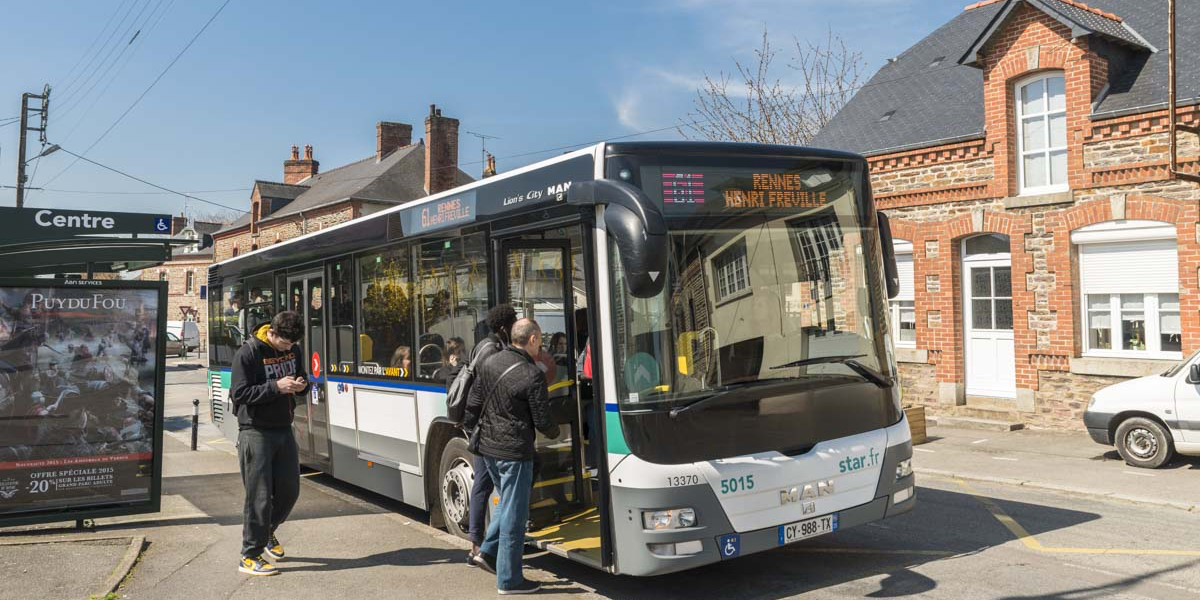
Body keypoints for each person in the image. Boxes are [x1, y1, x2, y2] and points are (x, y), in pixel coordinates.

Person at [464, 318, 559, 595]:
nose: (541, 346)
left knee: (506, 503)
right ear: (532, 340)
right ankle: (509, 580)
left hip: (488, 450)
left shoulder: (489, 363)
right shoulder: (532, 374)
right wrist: (556, 432)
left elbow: (473, 405)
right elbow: (543, 422)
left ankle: (487, 552)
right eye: (540, 340)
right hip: (515, 453)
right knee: (515, 517)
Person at [230, 310, 309, 577]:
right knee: (259, 497)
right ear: (272, 333)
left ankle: (266, 532)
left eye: (293, 344)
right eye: (285, 343)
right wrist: (276, 387)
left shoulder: (293, 350)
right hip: (255, 430)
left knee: (289, 491)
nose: (289, 349)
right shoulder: (248, 353)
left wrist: (302, 385)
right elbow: (239, 393)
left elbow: (302, 378)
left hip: (283, 427)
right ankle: (249, 556)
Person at [461, 305, 517, 568]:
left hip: (483, 426)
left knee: (483, 484)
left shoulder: (484, 346)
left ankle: (478, 547)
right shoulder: (493, 351)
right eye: (514, 322)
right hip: (487, 427)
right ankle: (481, 548)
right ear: (504, 327)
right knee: (491, 487)